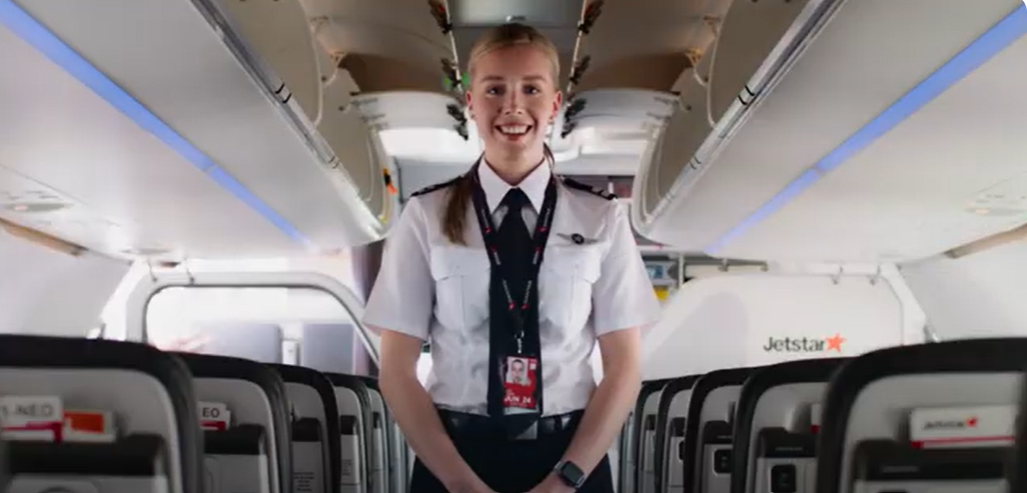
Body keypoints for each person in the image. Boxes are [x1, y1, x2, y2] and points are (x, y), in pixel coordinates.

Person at [362, 22, 661, 493]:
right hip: (455, 458)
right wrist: (461, 484)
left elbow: (624, 369)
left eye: (531, 89)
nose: (513, 105)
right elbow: (396, 373)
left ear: (555, 104)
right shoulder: (426, 216)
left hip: (568, 458)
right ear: (471, 104)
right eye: (495, 89)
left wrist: (567, 479)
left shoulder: (600, 218)